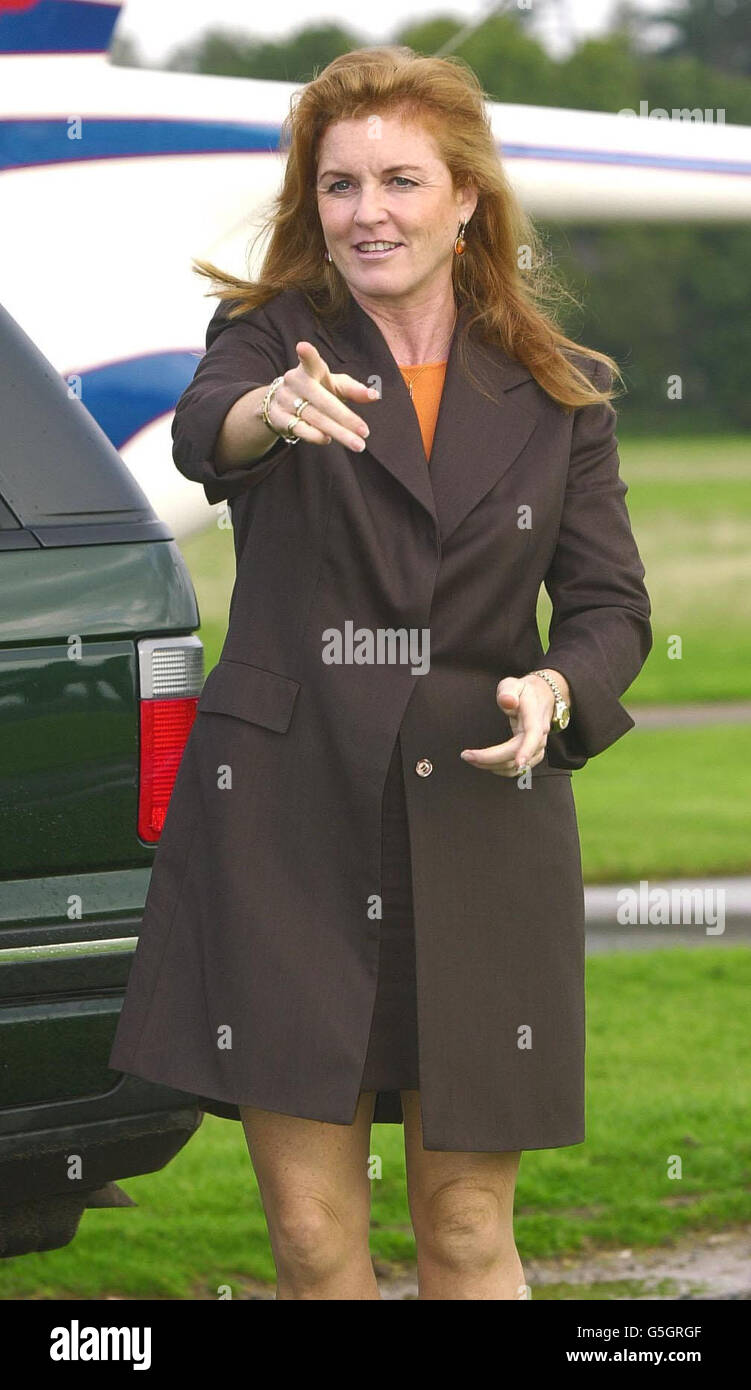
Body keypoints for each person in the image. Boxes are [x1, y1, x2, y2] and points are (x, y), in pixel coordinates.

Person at [109, 45, 652, 1300]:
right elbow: (208, 431)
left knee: (465, 1231)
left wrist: (556, 688)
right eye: (341, 185)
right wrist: (270, 415)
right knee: (310, 1240)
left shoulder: (560, 393)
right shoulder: (267, 343)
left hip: (480, 819)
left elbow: (612, 608)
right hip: (285, 826)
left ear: (466, 199)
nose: (368, 213)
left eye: (400, 181)